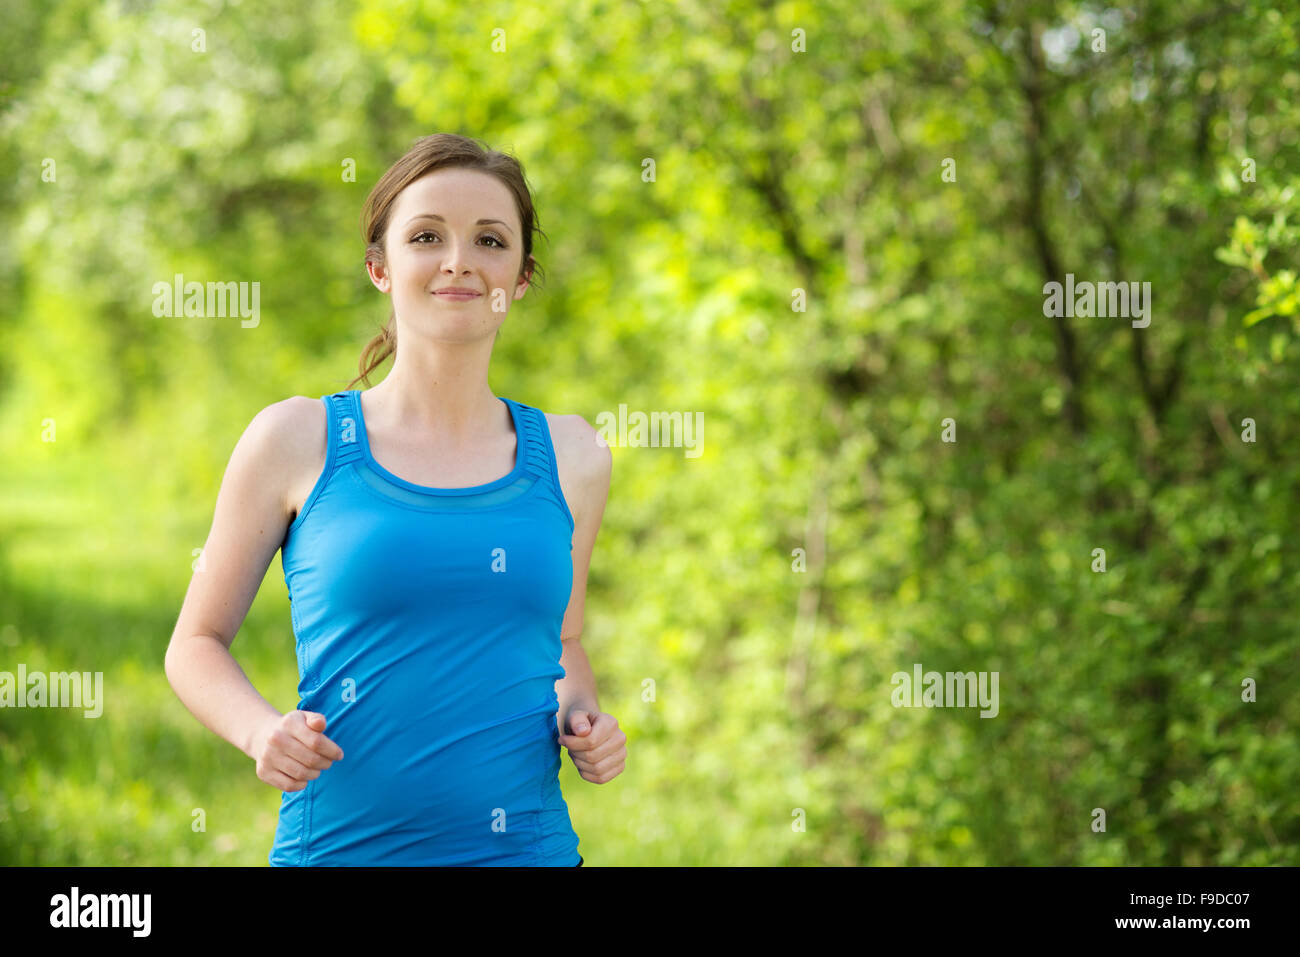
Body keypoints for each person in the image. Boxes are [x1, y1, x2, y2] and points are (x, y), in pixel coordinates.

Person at [164, 133, 626, 865]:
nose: (458, 260)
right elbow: (194, 645)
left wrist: (585, 719)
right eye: (426, 236)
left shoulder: (573, 455)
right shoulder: (296, 438)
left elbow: (564, 644)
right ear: (381, 266)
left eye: (490, 239)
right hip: (342, 849)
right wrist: (261, 732)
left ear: (522, 276)